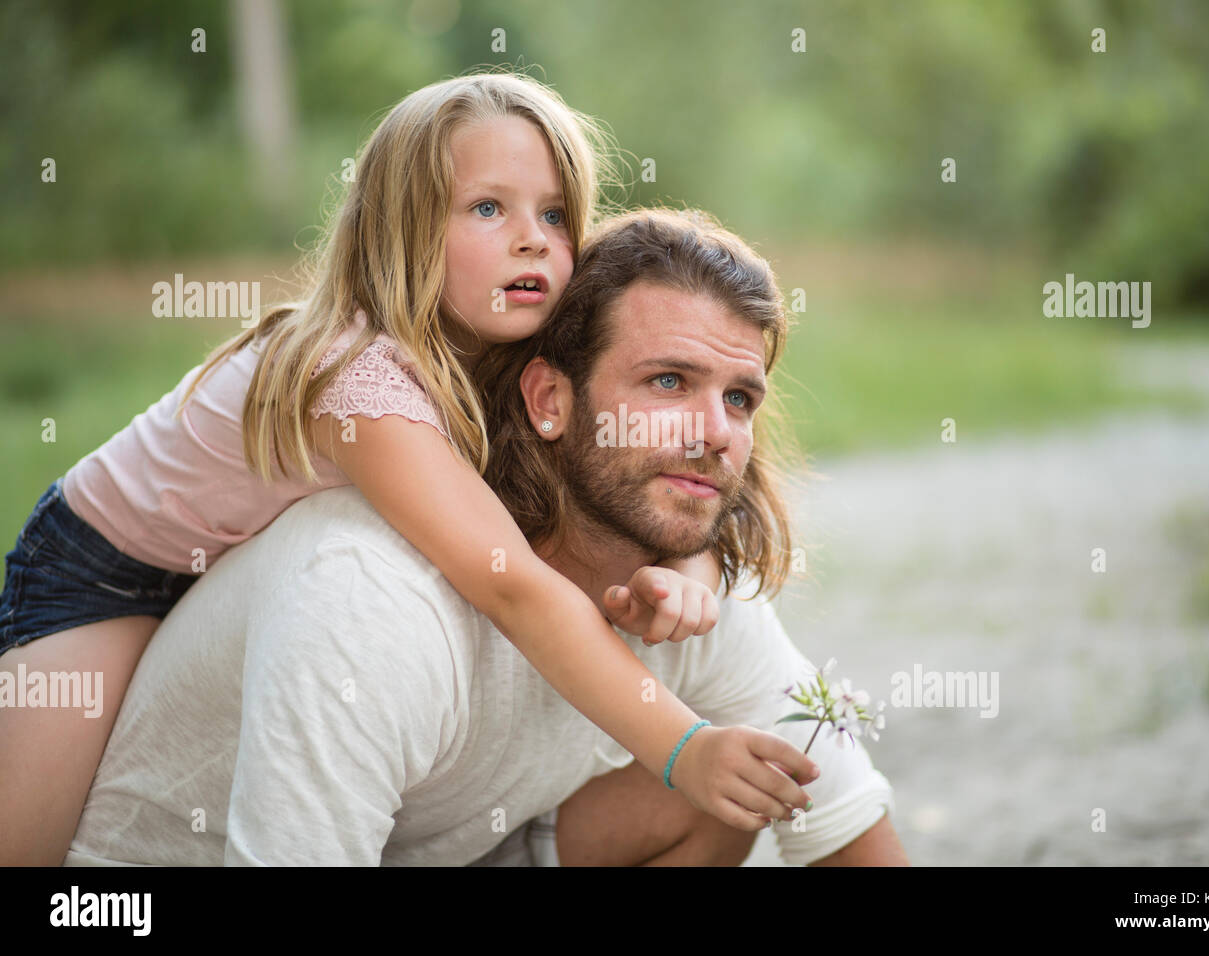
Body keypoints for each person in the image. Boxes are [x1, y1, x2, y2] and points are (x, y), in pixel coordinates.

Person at [0, 72, 816, 865]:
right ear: (405, 229)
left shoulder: (516, 350)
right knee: (28, 849)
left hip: (232, 572)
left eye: (556, 213)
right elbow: (511, 584)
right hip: (102, 575)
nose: (532, 237)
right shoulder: (352, 377)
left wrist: (695, 570)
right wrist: (683, 749)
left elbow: (660, 484)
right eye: (488, 208)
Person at [64, 207, 906, 866]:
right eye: (668, 381)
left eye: (739, 400)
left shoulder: (682, 588)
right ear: (549, 400)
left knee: (733, 788)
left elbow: (844, 817)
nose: (716, 432)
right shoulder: (365, 587)